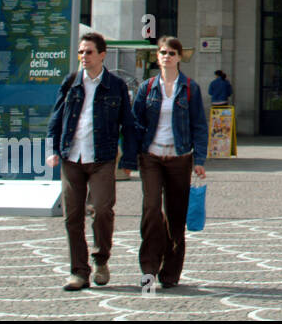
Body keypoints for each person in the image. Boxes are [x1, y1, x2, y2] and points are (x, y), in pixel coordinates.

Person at [44, 31, 137, 291]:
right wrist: (53, 148)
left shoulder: (116, 85)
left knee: (102, 211)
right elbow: (56, 118)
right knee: (72, 216)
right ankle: (78, 272)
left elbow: (128, 124)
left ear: (102, 55)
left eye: (89, 52)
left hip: (102, 158)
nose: (84, 56)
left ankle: (101, 259)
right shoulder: (71, 81)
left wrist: (129, 158)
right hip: (71, 158)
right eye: (81, 52)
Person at [130, 36, 207, 290]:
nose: (167, 56)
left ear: (179, 57)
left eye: (172, 52)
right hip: (151, 156)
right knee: (152, 209)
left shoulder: (189, 88)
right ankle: (149, 267)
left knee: (176, 215)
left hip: (179, 157)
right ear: (157, 56)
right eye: (163, 52)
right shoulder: (147, 87)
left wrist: (200, 159)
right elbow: (135, 123)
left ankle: (171, 272)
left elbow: (199, 125)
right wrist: (132, 155)